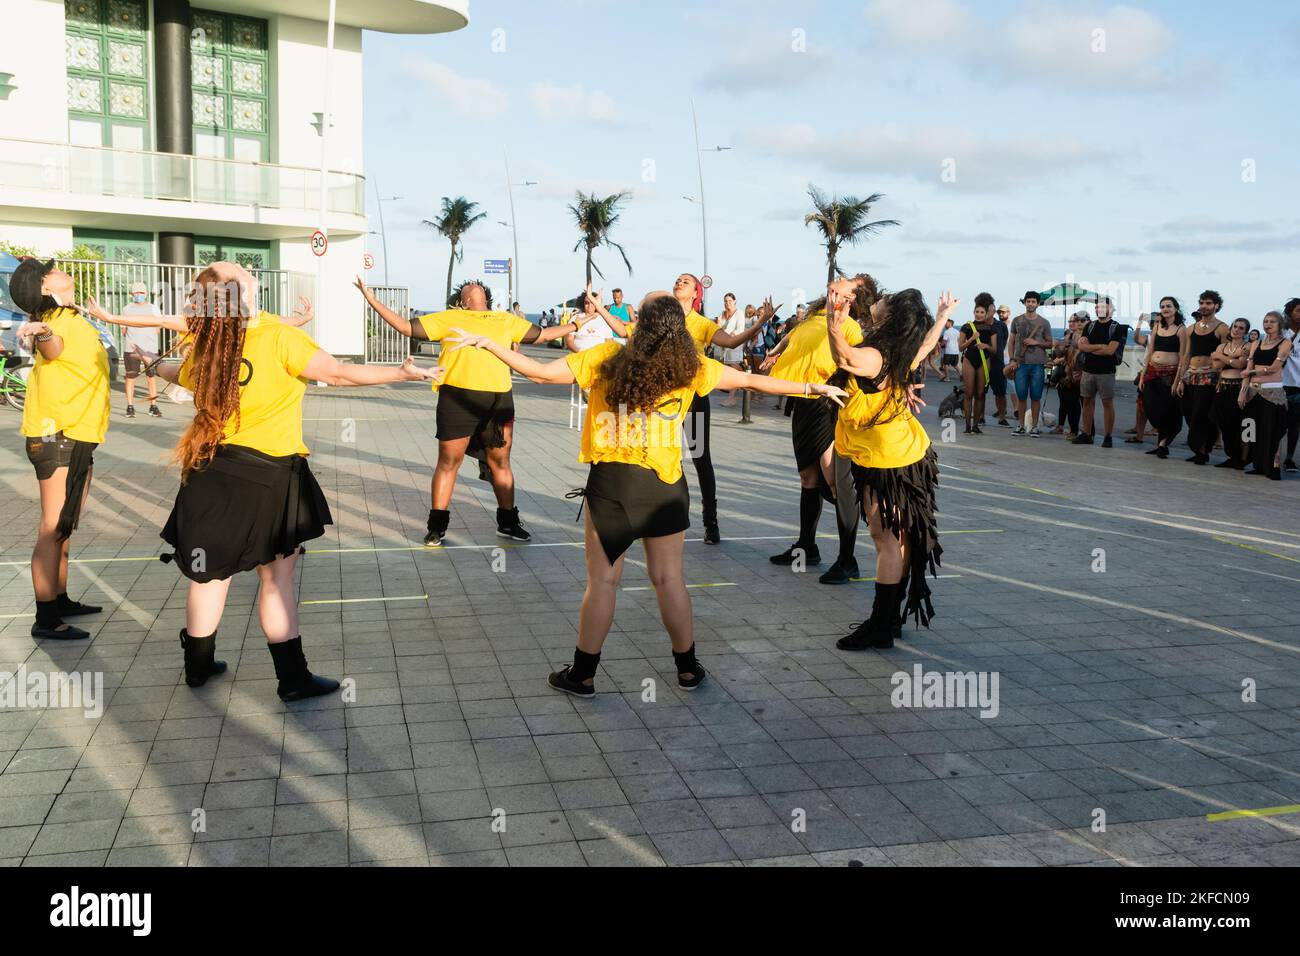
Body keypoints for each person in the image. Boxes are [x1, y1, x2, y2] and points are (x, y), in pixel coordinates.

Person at [443, 291, 845, 696]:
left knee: (602, 582)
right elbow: (751, 381)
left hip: (612, 484)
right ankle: (687, 669)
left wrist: (492, 345)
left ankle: (582, 674)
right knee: (669, 580)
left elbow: (539, 373)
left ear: (641, 325)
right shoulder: (691, 368)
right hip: (665, 485)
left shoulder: (604, 359)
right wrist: (813, 388)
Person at [138, 263, 441, 699]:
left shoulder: (209, 345)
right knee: (276, 580)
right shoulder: (279, 338)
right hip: (268, 477)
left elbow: (177, 376)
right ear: (241, 291)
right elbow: (337, 374)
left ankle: (198, 666)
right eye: (242, 272)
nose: (249, 272)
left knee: (208, 576)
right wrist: (400, 373)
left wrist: (152, 366)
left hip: (210, 473)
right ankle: (292, 679)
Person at [355, 276, 581, 546]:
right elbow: (405, 327)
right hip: (457, 398)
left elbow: (543, 335)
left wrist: (577, 324)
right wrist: (371, 300)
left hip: (498, 400)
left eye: (477, 286)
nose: (474, 286)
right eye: (467, 288)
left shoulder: (505, 319)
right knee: (449, 462)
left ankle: (507, 523)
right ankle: (436, 527)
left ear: (484, 296)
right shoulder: (449, 318)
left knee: (500, 463)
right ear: (462, 301)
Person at [593, 273, 773, 545]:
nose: (679, 283)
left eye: (685, 282)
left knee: (701, 459)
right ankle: (655, 517)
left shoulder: (701, 324)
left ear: (696, 293)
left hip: (692, 398)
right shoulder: (656, 316)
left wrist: (760, 322)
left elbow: (732, 342)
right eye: (677, 280)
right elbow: (622, 330)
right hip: (659, 399)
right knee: (654, 455)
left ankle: (710, 522)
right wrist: (598, 307)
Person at [827, 287, 956, 650]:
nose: (878, 298)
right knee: (899, 540)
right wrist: (943, 315)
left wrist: (835, 326)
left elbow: (848, 360)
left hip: (887, 463)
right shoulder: (900, 348)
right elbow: (928, 344)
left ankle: (882, 626)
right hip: (906, 454)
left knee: (886, 540)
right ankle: (889, 620)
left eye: (886, 297)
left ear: (892, 314)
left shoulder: (876, 354)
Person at [11, 258, 109, 641]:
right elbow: (52, 348)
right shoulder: (55, 323)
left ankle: (61, 598)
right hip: (56, 435)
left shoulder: (73, 316)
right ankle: (46, 617)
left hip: (79, 432)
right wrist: (41, 330)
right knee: (52, 526)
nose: (60, 271)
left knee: (65, 524)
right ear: (46, 288)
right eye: (52, 272)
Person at [768, 275, 880, 585]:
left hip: (828, 403)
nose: (839, 280)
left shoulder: (852, 327)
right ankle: (807, 546)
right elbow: (792, 337)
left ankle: (849, 557)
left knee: (834, 480)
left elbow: (856, 366)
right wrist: (776, 350)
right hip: (803, 400)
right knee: (808, 477)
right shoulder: (817, 315)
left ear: (853, 298)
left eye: (847, 282)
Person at [1176, 290, 1228, 464]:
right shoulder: (1191, 328)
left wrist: (1220, 381)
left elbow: (1223, 357)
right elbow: (1186, 355)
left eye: (1208, 303)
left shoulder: (1222, 328)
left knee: (1202, 415)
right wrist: (1181, 379)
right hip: (1191, 375)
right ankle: (1199, 448)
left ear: (1216, 306)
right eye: (1202, 303)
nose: (1204, 306)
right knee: (1189, 413)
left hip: (1210, 376)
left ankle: (1203, 451)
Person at [1239, 311, 1292, 480]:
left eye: (1272, 322)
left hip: (1272, 392)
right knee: (1253, 429)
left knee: (1273, 430)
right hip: (1253, 391)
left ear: (1280, 325)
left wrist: (1253, 371)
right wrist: (1242, 392)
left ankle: (1274, 467)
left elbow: (1275, 368)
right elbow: (1247, 370)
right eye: (1265, 321)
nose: (1268, 324)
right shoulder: (1257, 343)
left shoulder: (1285, 343)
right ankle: (1258, 464)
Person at [1138, 297, 1188, 460]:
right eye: (1162, 306)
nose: (1165, 309)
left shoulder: (1181, 329)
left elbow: (1183, 356)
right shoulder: (1157, 326)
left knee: (1169, 412)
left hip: (1171, 375)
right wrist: (1143, 375)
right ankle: (1162, 443)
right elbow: (1150, 351)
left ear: (1175, 309)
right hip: (1152, 372)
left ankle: (1162, 445)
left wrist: (1179, 380)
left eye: (1169, 306)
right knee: (1153, 410)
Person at [1072, 296, 1125, 448]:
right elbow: (1082, 347)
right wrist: (1100, 346)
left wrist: (1093, 348)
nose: (1098, 309)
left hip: (1106, 372)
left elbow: (1110, 351)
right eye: (1096, 307)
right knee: (1087, 402)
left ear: (1110, 308)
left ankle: (1108, 436)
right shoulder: (1090, 326)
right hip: (1088, 370)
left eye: (1102, 306)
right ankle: (1087, 434)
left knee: (1107, 403)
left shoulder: (1117, 327)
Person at [1008, 291, 1053, 436]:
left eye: (1033, 301)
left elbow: (1050, 343)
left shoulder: (1044, 323)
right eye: (1028, 301)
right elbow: (1011, 341)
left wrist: (1036, 342)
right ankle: (1020, 426)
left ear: (1037, 304)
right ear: (1024, 302)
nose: (1030, 304)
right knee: (1021, 396)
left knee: (1035, 396)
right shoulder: (1016, 320)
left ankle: (1034, 426)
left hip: (1038, 364)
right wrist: (1012, 359)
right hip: (1020, 363)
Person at [1210, 318, 1251, 469]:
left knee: (1242, 424)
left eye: (1241, 328)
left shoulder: (1248, 346)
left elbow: (1241, 365)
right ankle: (1232, 456)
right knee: (1224, 423)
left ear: (1245, 332)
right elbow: (1216, 365)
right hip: (1223, 387)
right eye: (1235, 326)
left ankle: (1243, 458)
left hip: (1239, 387)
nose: (1237, 330)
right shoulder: (1222, 346)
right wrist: (1232, 357)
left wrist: (1220, 356)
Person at [121, 281, 163, 418]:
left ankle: (153, 405)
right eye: (136, 292)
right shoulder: (126, 309)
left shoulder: (154, 308)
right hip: (132, 349)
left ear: (146, 294)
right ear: (131, 294)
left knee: (151, 377)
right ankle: (130, 406)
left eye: (141, 292)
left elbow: (158, 327)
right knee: (130, 377)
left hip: (150, 350)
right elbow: (123, 329)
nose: (138, 295)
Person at [958, 292, 994, 433]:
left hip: (984, 360)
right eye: (977, 311)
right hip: (969, 359)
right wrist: (972, 338)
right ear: (973, 312)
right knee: (968, 393)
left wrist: (986, 346)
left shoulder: (990, 328)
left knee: (980, 394)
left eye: (982, 312)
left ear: (986, 314)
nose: (979, 314)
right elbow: (960, 347)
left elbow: (994, 349)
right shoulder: (966, 327)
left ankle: (976, 425)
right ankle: (967, 425)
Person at [1052, 313, 1085, 438]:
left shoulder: (1084, 336)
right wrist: (1058, 346)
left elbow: (1081, 355)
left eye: (1075, 321)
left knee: (1081, 404)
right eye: (1070, 321)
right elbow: (1060, 354)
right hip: (1067, 374)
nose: (1072, 323)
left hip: (1079, 373)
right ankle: (1071, 429)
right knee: (1067, 402)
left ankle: (1084, 431)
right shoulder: (1069, 335)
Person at [716, 293, 748, 407]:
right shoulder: (721, 313)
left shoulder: (739, 313)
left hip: (735, 343)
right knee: (729, 369)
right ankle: (739, 388)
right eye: (725, 301)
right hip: (724, 345)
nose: (727, 303)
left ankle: (732, 398)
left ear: (734, 301)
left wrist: (728, 337)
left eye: (729, 300)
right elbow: (718, 328)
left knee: (734, 369)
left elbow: (740, 329)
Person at [1281, 297, 1300, 473]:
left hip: (1297, 385)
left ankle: (1289, 458)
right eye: (1298, 311)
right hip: (1278, 383)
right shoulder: (1280, 332)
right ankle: (1271, 456)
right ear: (1289, 312)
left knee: (1294, 424)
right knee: (1276, 422)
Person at [989, 304, 1011, 426]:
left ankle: (1003, 416)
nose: (1000, 314)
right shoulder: (982, 325)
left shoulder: (1003, 326)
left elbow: (1005, 341)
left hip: (1001, 362)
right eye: (999, 312)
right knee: (981, 392)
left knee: (1003, 391)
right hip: (987, 362)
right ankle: (980, 417)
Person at [938, 317, 960, 382]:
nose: (945, 325)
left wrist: (938, 344)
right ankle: (961, 374)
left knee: (946, 364)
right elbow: (959, 341)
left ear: (950, 323)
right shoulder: (957, 331)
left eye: (946, 323)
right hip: (956, 351)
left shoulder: (946, 332)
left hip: (948, 351)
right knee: (954, 364)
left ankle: (947, 378)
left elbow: (944, 342)